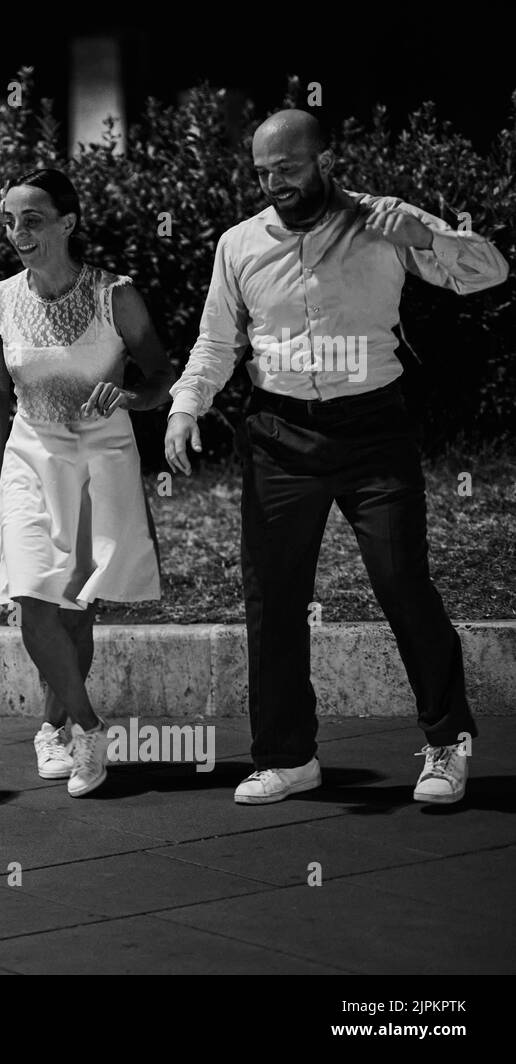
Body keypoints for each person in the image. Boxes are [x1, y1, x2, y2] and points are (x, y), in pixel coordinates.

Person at [164, 110, 508, 805]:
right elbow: (217, 341)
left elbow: (487, 273)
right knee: (274, 598)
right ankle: (288, 757)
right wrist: (184, 407)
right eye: (262, 173)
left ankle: (445, 745)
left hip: (373, 430)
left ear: (326, 160)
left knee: (401, 582)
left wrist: (430, 235)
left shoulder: (384, 220)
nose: (275, 184)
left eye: (287, 169)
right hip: (279, 437)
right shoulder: (239, 244)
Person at [0, 168, 173, 797]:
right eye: (9, 221)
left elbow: (161, 376)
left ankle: (52, 725)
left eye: (32, 219)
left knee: (76, 609)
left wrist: (132, 395)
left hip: (100, 456)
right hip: (29, 453)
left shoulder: (115, 294)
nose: (18, 233)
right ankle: (89, 729)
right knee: (31, 595)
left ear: (68, 223)